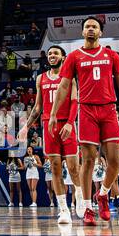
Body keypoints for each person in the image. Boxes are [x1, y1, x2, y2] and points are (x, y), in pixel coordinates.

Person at [49, 16, 119, 226]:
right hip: (86, 111)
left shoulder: (112, 55)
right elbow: (64, 87)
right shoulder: (74, 57)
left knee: (115, 161)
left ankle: (103, 194)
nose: (91, 29)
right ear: (83, 32)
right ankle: (87, 207)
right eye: (87, 27)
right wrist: (52, 114)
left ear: (101, 32)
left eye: (95, 26)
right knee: (88, 160)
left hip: (109, 109)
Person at [27, 44, 81, 224]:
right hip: (49, 126)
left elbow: (75, 103)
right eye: (50, 53)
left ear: (63, 57)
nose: (52, 56)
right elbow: (37, 107)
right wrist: (25, 127)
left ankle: (80, 198)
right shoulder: (41, 78)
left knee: (73, 167)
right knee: (55, 168)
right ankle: (63, 209)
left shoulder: (70, 77)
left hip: (67, 124)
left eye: (55, 53)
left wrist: (70, 123)